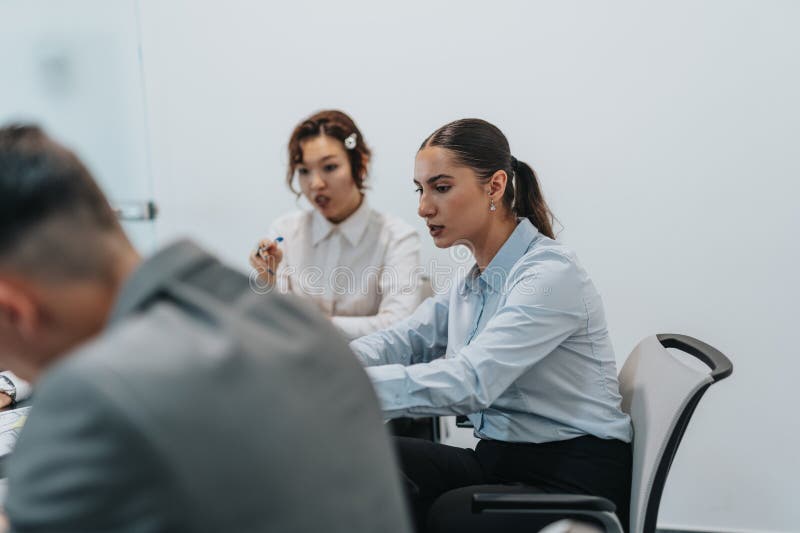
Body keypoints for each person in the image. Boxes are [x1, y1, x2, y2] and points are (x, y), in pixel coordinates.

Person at [0, 124, 412, 533]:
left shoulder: (87, 398)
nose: (316, 183)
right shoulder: (297, 324)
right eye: (304, 171)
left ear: (13, 309)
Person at [350, 119, 633, 532]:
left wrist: (347, 389)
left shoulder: (548, 275)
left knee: (451, 513)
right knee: (365, 460)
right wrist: (331, 367)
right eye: (420, 188)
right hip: (500, 458)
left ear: (495, 187)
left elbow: (470, 381)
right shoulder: (478, 279)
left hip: (572, 473)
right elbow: (404, 340)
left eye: (441, 187)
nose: (423, 207)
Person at [250, 110, 423, 341]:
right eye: (303, 171)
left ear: (360, 164)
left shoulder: (397, 238)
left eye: (329, 167)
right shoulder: (285, 232)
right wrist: (267, 279)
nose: (315, 184)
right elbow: (272, 322)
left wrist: (315, 324)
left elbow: (400, 326)